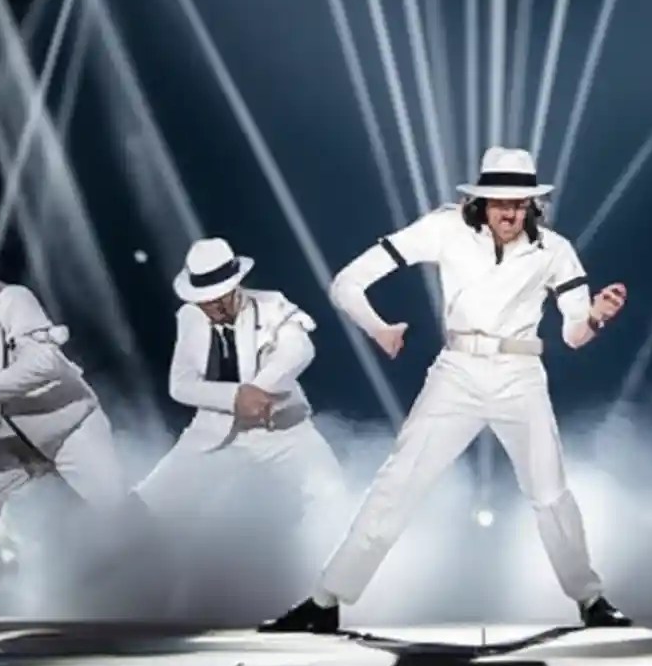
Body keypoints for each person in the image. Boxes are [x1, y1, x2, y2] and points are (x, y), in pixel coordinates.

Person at [259, 146, 631, 633]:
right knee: (398, 483)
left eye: (520, 203)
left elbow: (572, 334)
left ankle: (590, 599)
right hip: (456, 372)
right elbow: (347, 282)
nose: (510, 212)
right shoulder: (444, 228)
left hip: (520, 374)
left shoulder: (555, 250)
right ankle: (325, 601)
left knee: (550, 491)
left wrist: (596, 318)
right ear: (480, 202)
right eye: (501, 202)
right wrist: (379, 329)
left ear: (533, 205)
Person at [131, 238, 349, 609]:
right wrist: (236, 399)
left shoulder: (273, 304)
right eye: (205, 298)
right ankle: (116, 584)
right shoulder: (190, 317)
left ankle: (332, 599)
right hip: (214, 433)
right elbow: (180, 384)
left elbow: (300, 350)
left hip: (283, 431)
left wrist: (258, 391)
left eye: (220, 296)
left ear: (237, 286)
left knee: (332, 495)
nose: (213, 306)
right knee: (148, 502)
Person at [0, 241, 126, 615]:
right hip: (11, 437)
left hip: (70, 425)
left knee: (117, 514)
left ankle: (163, 594)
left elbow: (45, 361)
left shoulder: (13, 299)